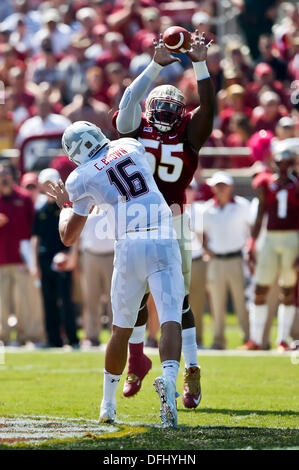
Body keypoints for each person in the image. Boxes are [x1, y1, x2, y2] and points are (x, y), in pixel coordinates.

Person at [48, 121, 185, 428]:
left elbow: (68, 237)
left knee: (120, 330)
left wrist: (64, 206)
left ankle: (107, 405)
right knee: (170, 319)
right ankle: (170, 383)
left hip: (129, 244)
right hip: (162, 235)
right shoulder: (131, 146)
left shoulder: (80, 177)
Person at [114, 31, 214, 408]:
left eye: (175, 110)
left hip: (173, 223)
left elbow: (210, 107)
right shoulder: (137, 128)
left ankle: (191, 369)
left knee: (179, 301)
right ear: (150, 111)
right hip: (138, 221)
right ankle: (137, 359)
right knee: (135, 297)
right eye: (161, 109)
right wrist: (156, 64)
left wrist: (199, 63)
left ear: (182, 114)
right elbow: (128, 103)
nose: (167, 115)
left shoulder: (191, 134)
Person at [241, 146, 299, 351]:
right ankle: (256, 340)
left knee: (288, 289)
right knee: (260, 288)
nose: (282, 168)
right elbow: (260, 217)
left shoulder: (297, 184)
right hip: (271, 238)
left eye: (286, 163)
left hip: (293, 237)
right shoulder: (266, 183)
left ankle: (282, 339)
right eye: (279, 163)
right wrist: (252, 243)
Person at [200, 171, 250, 349]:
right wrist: (207, 250)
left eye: (224, 185)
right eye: (218, 185)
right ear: (213, 187)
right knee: (216, 302)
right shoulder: (207, 209)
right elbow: (202, 234)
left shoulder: (243, 206)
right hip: (216, 261)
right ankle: (218, 340)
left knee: (241, 302)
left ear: (230, 187)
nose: (221, 189)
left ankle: (248, 339)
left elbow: (250, 229)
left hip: (237, 259)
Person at [31, 168, 79, 349]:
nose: (48, 187)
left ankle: (73, 339)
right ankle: (53, 340)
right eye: (45, 184)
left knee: (67, 300)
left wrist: (72, 256)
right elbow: (35, 238)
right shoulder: (40, 208)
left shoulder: (66, 206)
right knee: (48, 300)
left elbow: (74, 234)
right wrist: (35, 265)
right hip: (45, 260)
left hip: (63, 259)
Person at [0, 161, 35, 345]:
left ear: (13, 176)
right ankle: (3, 338)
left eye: (6, 174)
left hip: (20, 259)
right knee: (2, 303)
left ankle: (24, 337)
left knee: (23, 302)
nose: (4, 177)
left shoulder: (24, 197)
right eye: (1, 174)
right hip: (0, 259)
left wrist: (30, 257)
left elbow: (32, 228)